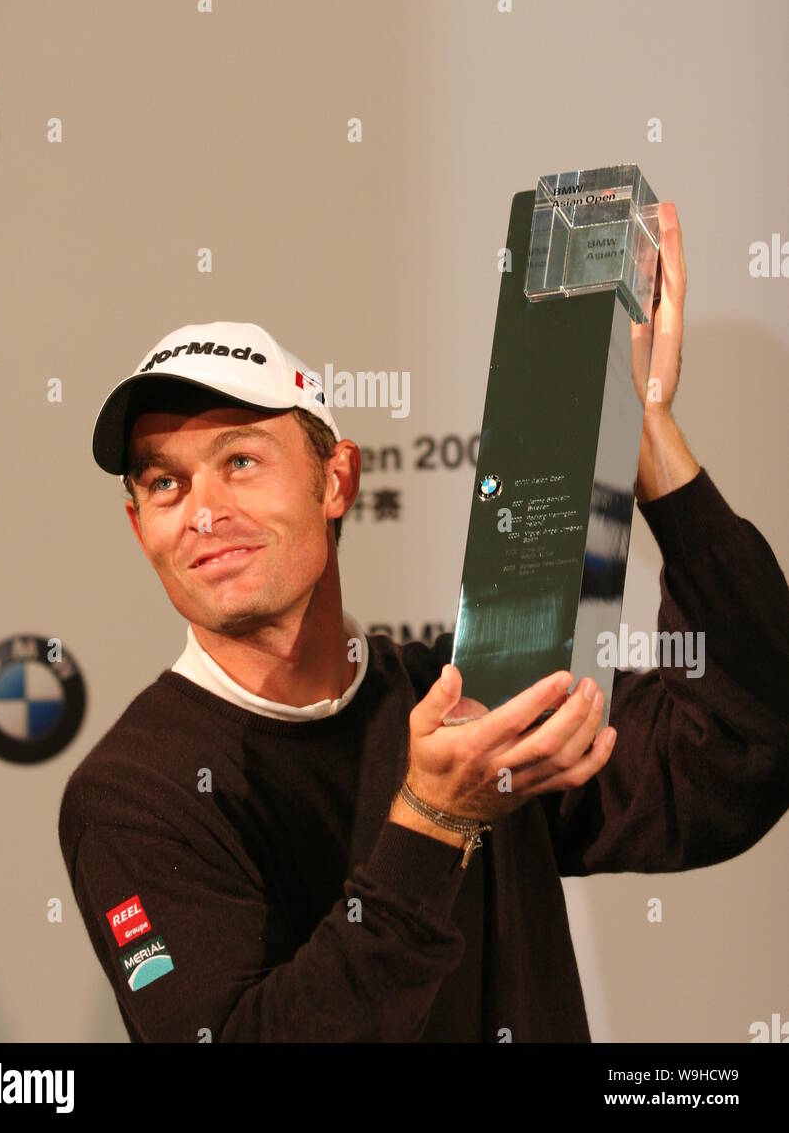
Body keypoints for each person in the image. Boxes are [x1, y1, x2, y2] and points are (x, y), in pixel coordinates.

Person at [58, 203, 789, 1041]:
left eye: (242, 462)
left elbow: (742, 745)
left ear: (336, 481)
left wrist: (647, 436)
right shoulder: (134, 794)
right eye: (164, 484)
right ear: (137, 525)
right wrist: (434, 820)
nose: (202, 512)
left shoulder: (471, 697)